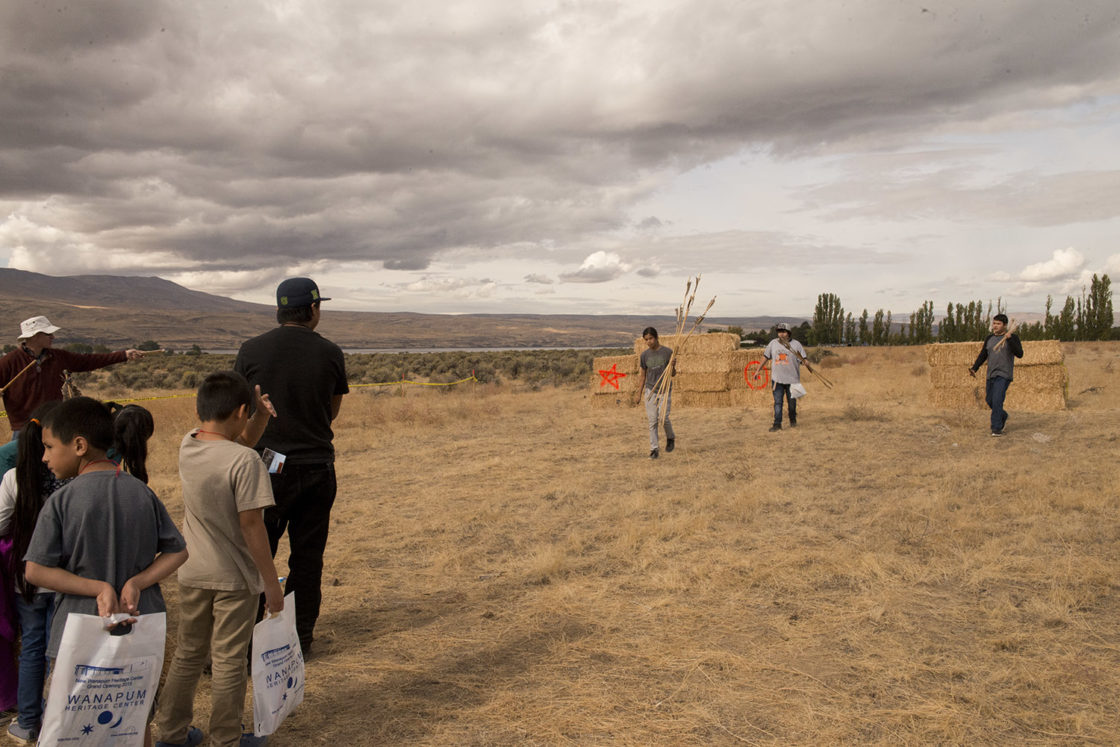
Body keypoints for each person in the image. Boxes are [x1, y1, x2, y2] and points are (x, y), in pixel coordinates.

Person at [22, 397, 188, 747]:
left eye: (50, 447)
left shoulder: (62, 501)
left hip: (77, 631)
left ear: (79, 446)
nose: (44, 457)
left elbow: (35, 571)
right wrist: (137, 582)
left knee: (70, 722)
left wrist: (96, 587)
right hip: (139, 624)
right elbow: (177, 551)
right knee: (135, 713)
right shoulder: (141, 492)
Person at [156, 372, 282, 747]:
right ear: (241, 410)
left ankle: (171, 734)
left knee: (188, 655)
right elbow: (252, 526)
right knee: (229, 661)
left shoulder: (188, 444)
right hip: (234, 579)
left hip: (191, 571)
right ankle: (226, 738)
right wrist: (271, 583)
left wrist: (257, 416)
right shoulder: (246, 463)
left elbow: (235, 440)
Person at [234, 278, 348, 656]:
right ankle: (299, 639)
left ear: (279, 311)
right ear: (314, 309)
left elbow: (241, 409)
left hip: (265, 468)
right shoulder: (330, 352)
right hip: (316, 466)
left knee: (255, 553)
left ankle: (246, 641)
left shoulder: (251, 350)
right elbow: (331, 410)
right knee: (308, 557)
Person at [0, 402, 71, 743]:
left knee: (30, 646)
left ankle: (28, 721)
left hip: (25, 579)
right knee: (57, 650)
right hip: (63, 577)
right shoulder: (66, 479)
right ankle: (59, 721)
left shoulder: (13, 479)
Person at [0, 316, 146, 437]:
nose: (53, 337)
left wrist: (123, 355)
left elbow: (88, 361)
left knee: (57, 471)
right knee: (18, 469)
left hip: (53, 424)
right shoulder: (9, 362)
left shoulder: (57, 356)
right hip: (24, 429)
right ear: (35, 336)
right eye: (48, 334)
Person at [969, 313, 1023, 436]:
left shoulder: (1012, 337)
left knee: (998, 400)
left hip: (1004, 374)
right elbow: (983, 354)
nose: (995, 326)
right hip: (991, 374)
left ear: (1005, 325)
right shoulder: (989, 339)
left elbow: (1020, 354)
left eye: (998, 324)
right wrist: (974, 368)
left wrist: (1010, 339)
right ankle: (1002, 415)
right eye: (994, 323)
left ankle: (996, 429)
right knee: (990, 400)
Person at [761, 323, 811, 432]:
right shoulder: (773, 344)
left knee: (792, 404)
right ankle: (777, 424)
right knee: (778, 403)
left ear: (788, 333)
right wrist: (757, 370)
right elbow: (765, 357)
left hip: (793, 380)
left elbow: (803, 359)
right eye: (779, 332)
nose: (781, 334)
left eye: (783, 332)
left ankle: (793, 420)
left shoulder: (796, 345)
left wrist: (806, 363)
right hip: (777, 380)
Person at [635, 327, 675, 459]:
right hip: (650, 391)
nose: (649, 342)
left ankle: (670, 437)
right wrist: (639, 393)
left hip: (664, 390)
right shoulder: (644, 355)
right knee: (652, 421)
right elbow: (642, 376)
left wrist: (673, 365)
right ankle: (654, 449)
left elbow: (673, 374)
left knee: (663, 418)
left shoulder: (668, 352)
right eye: (646, 340)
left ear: (656, 337)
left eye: (651, 338)